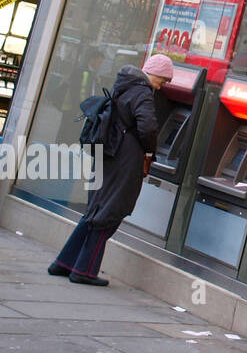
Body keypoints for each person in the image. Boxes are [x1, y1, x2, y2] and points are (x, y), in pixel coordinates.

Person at [49, 54, 174, 286]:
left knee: (95, 209)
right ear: (155, 73)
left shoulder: (124, 84)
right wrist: (149, 151)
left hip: (107, 151)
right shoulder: (143, 92)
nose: (163, 85)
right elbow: (147, 127)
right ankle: (85, 271)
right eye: (164, 80)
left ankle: (64, 262)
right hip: (124, 158)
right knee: (108, 213)